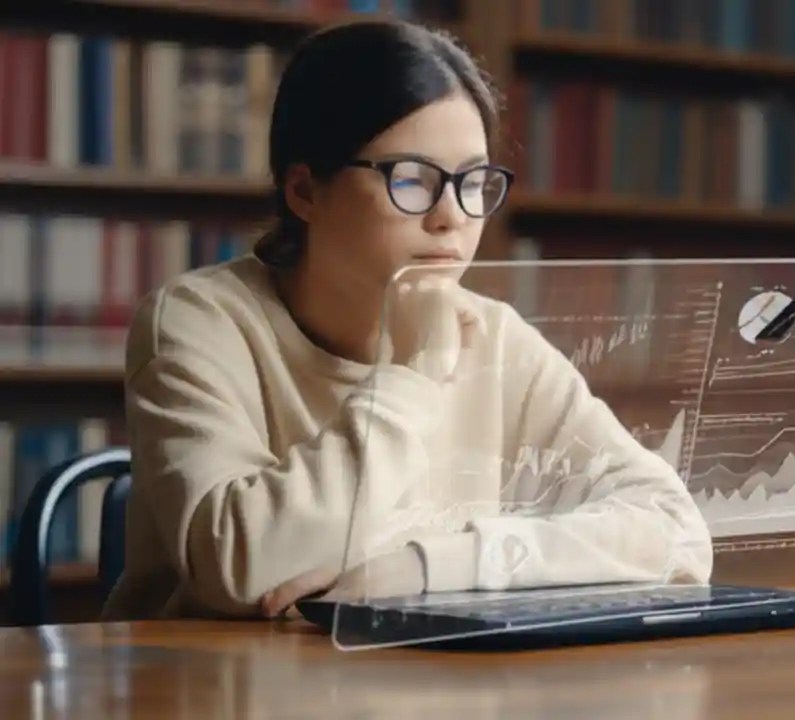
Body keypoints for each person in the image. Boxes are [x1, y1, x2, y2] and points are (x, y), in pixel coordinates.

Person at [101, 19, 713, 621]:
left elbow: (677, 532)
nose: (453, 217)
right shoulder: (199, 321)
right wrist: (413, 375)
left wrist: (429, 568)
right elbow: (241, 567)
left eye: (473, 181)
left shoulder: (494, 336)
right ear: (304, 191)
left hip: (420, 688)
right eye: (413, 180)